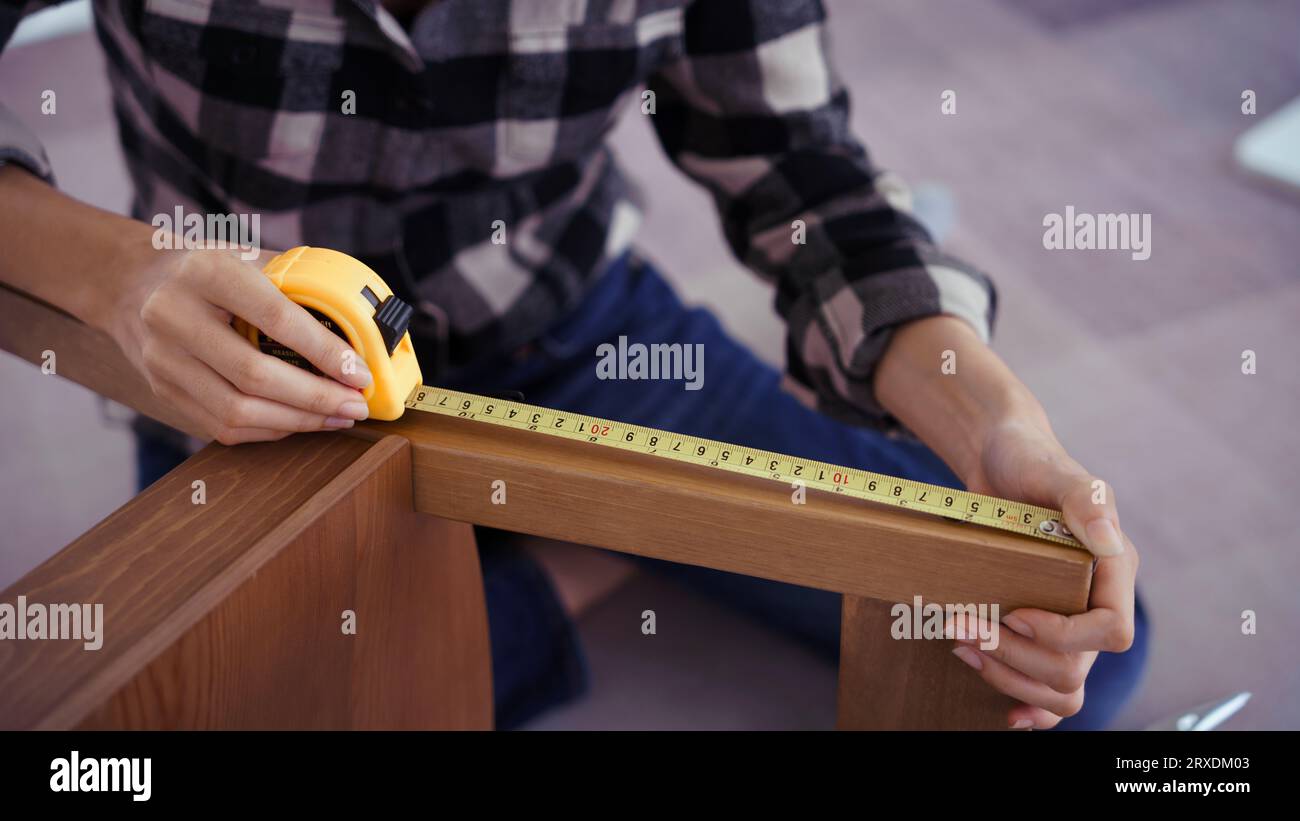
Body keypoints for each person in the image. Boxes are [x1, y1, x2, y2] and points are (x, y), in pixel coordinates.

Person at [0, 0, 1146, 729]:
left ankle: (556, 542)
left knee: (1042, 661)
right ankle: (579, 556)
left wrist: (993, 419)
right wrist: (117, 272)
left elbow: (801, 172)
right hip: (247, 379)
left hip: (579, 336)